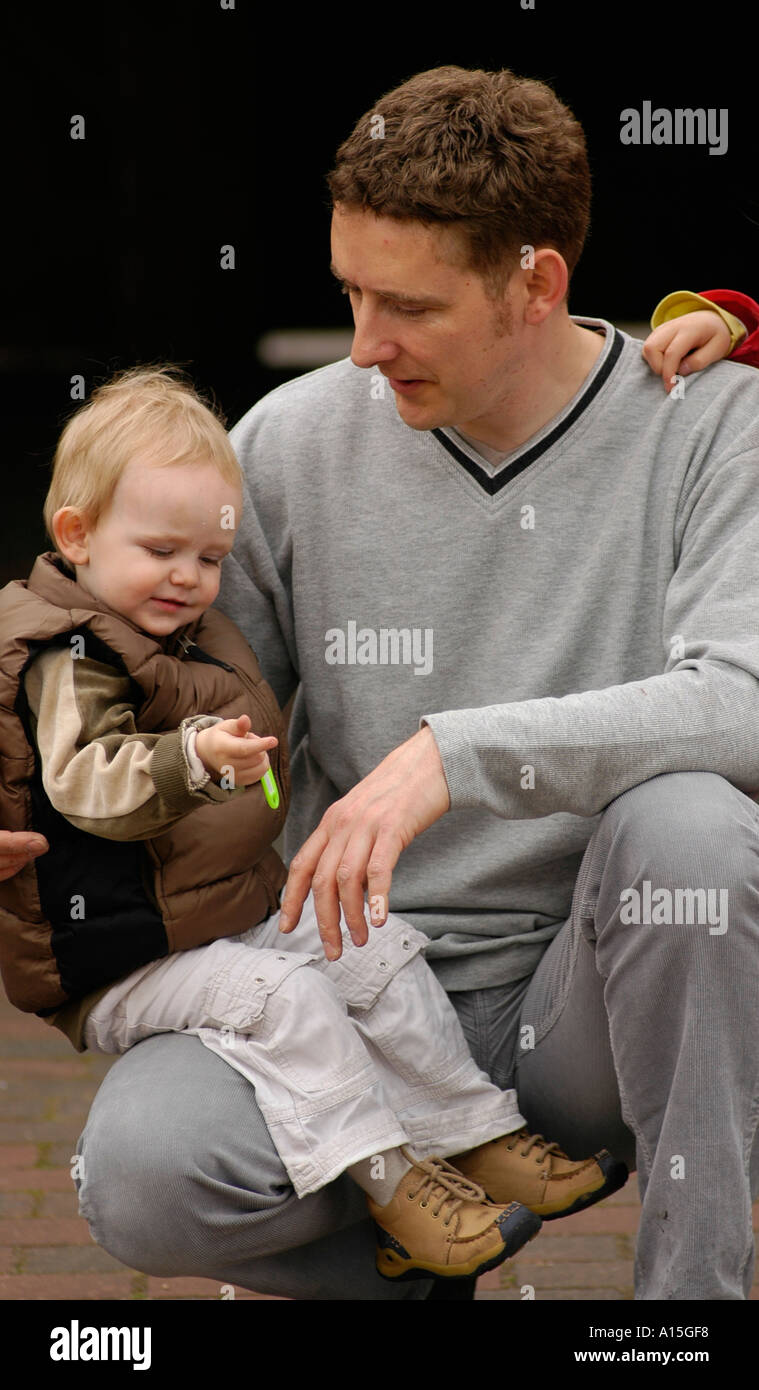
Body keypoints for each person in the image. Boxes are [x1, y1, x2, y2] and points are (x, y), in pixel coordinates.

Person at [2, 65, 758, 1301]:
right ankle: (426, 1234)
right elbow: (133, 690)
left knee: (697, 832)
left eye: (406, 305)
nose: (363, 345)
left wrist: (450, 755)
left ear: (537, 283)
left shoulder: (714, 420)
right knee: (138, 1175)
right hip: (335, 986)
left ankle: (689, 1316)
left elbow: (745, 701)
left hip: (591, 1006)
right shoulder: (293, 441)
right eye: (351, 292)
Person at [0, 365, 631, 1287]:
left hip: (209, 925)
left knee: (365, 942)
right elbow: (85, 785)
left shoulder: (176, 633)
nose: (190, 578)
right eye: (162, 550)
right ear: (77, 535)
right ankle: (396, 1188)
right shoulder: (74, 657)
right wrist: (196, 760)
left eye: (210, 559)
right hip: (115, 964)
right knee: (289, 1001)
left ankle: (474, 1134)